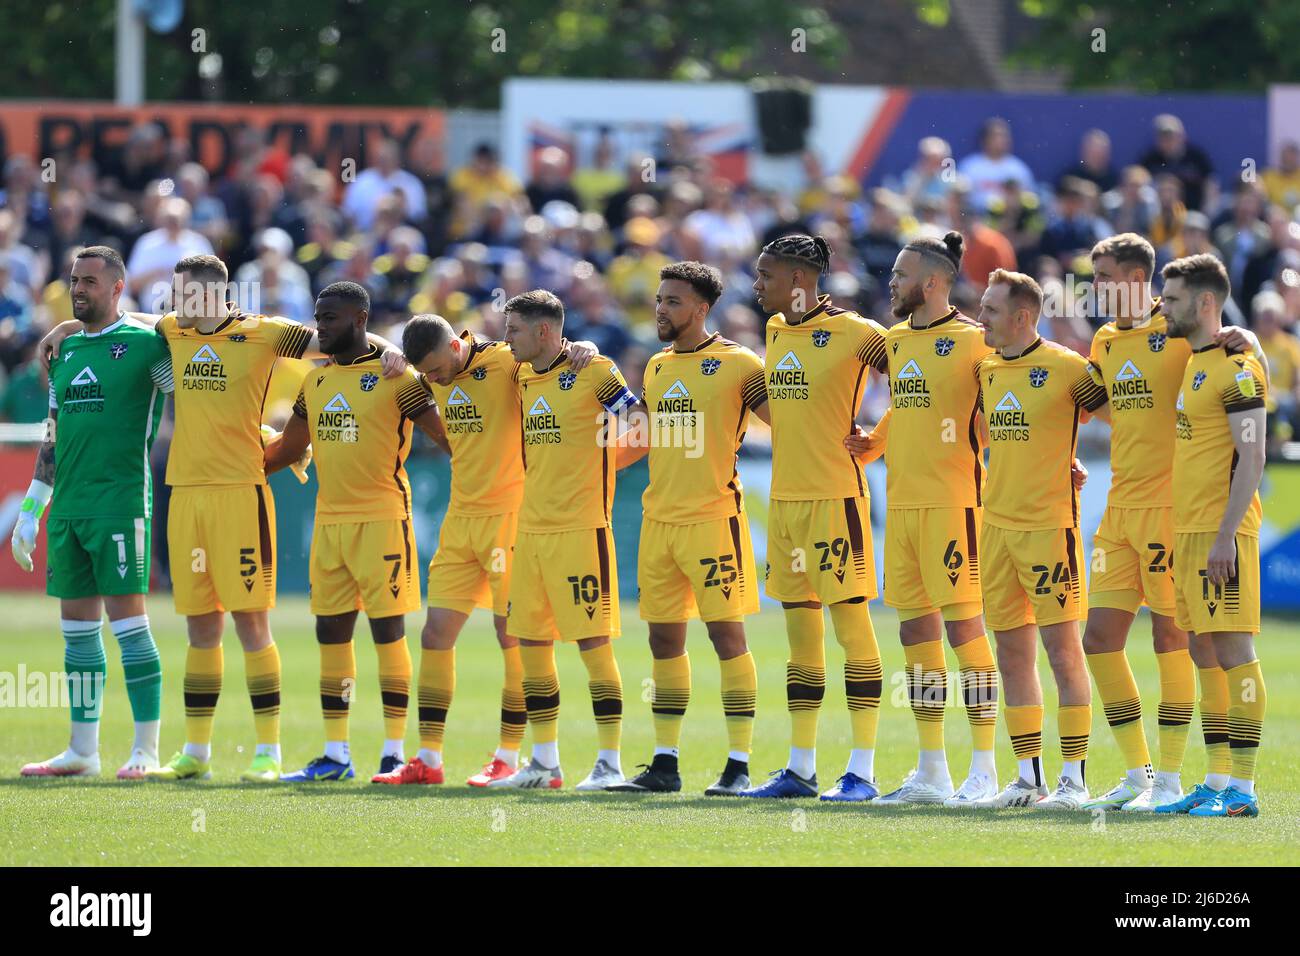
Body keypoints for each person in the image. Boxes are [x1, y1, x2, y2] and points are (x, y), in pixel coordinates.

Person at [1081, 234, 1260, 812]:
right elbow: (1089, 403)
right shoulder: (1104, 342)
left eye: (1105, 275)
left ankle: (1184, 780)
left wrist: (1250, 335)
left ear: (1137, 279)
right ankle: (1140, 772)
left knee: (1179, 641)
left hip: (1176, 510)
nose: (1095, 287)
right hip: (1119, 507)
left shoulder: (1178, 328)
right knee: (1100, 637)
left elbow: (1237, 363)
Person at [385, 315, 597, 786]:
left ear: (456, 347)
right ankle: (429, 760)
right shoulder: (428, 374)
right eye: (429, 375)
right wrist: (389, 353)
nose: (435, 380)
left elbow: (554, 361)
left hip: (511, 518)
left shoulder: (504, 362)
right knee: (436, 635)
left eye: (439, 370)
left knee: (513, 638)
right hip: (461, 520)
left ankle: (507, 755)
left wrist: (580, 344)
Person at [266, 282, 445, 782]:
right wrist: (235, 462)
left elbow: (447, 435)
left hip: (384, 519)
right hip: (330, 523)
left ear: (360, 317)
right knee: (331, 634)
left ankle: (392, 751)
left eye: (331, 317)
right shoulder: (314, 383)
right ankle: (336, 753)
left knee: (388, 632)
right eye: (317, 317)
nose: (320, 326)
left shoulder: (399, 378)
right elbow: (284, 451)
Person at [607, 261, 768, 795]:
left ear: (701, 309)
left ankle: (739, 765)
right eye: (658, 299)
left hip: (712, 522)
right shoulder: (655, 366)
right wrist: (592, 461)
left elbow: (791, 424)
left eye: (673, 301)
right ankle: (665, 763)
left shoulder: (740, 364)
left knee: (727, 638)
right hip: (660, 523)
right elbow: (643, 436)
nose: (661, 309)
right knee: (662, 643)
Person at [853, 233, 1003, 805]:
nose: (890, 282)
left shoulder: (972, 341)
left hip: (955, 506)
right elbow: (905, 402)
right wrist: (874, 442)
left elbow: (1007, 401)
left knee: (965, 629)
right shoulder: (894, 340)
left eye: (900, 273)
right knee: (916, 631)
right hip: (905, 507)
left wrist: (1062, 459)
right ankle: (932, 770)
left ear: (933, 283)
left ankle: (985, 767)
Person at [13, 247, 173, 779]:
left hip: (122, 503)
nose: (79, 289)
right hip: (69, 510)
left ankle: (146, 749)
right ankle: (83, 751)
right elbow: (53, 438)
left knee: (130, 627)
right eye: (74, 280)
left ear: (117, 287)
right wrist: (32, 509)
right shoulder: (65, 351)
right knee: (78, 635)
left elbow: (192, 394)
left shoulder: (151, 346)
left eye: (90, 282)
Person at [742, 234, 887, 801]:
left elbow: (920, 382)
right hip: (785, 504)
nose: (757, 285)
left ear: (799, 279)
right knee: (801, 639)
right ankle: (801, 768)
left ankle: (863, 771)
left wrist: (879, 439)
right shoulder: (776, 331)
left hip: (837, 501)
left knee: (852, 630)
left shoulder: (856, 334)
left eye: (766, 275)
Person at [488, 290, 640, 791]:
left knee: (593, 644)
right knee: (530, 642)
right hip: (529, 532)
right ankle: (546, 763)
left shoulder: (596, 371)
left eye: (513, 330)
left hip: (581, 531)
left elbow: (643, 428)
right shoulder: (522, 374)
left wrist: (599, 465)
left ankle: (610, 764)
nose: (506, 339)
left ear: (544, 332)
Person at [972, 269, 1111, 809]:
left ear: (1022, 317)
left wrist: (1070, 460)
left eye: (989, 309)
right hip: (997, 529)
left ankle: (1075, 779)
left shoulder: (1067, 367)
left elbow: (1122, 417)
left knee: (1063, 653)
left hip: (1050, 530)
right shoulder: (985, 369)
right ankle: (1029, 778)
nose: (980, 317)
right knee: (1011, 655)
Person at [1159, 254, 1269, 818]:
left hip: (1222, 533)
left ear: (1205, 303)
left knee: (1233, 651)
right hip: (1191, 529)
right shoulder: (1197, 359)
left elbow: (1253, 455)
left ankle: (1243, 793)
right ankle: (1217, 778)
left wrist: (1227, 535)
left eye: (1172, 299)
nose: (1162, 307)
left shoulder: (1237, 366)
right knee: (1205, 649)